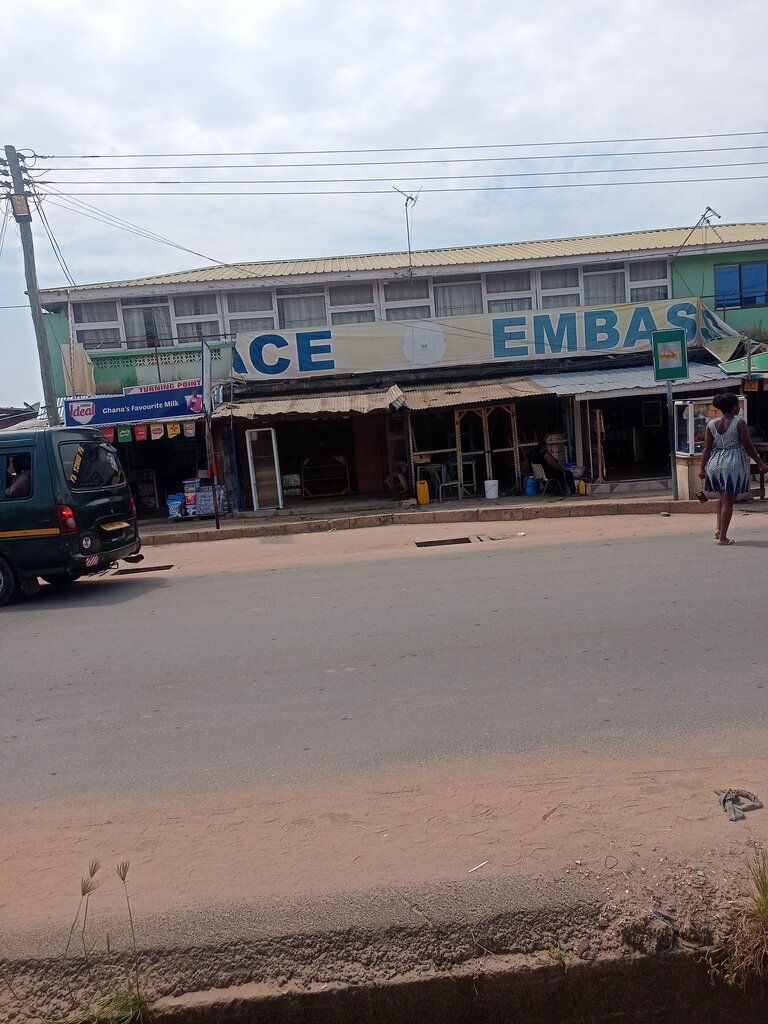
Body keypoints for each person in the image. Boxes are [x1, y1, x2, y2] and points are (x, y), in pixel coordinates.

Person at [699, 392, 767, 546]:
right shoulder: (738, 423)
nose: (739, 408)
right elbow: (748, 445)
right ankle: (723, 538)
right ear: (734, 407)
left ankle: (718, 529)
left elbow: (707, 448)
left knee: (721, 498)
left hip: (714, 463)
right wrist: (760, 463)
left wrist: (702, 468)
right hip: (732, 464)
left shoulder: (711, 424)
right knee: (729, 502)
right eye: (738, 406)